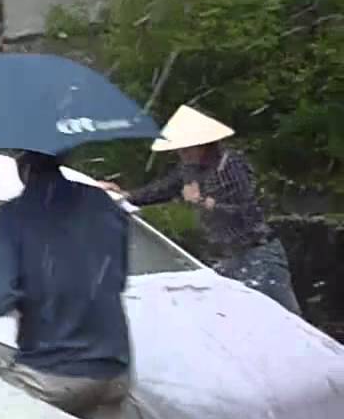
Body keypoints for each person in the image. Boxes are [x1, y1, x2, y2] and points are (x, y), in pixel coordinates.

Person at [98, 105, 302, 315]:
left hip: (257, 254)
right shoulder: (189, 169)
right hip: (226, 258)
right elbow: (161, 189)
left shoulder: (231, 164)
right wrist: (126, 195)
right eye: (179, 149)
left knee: (283, 317)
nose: (181, 153)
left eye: (186, 148)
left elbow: (243, 209)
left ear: (203, 145)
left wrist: (203, 202)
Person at [0, 150, 133, 419]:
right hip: (114, 371)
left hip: (51, 375)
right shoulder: (101, 202)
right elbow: (118, 278)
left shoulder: (9, 219)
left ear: (21, 165)